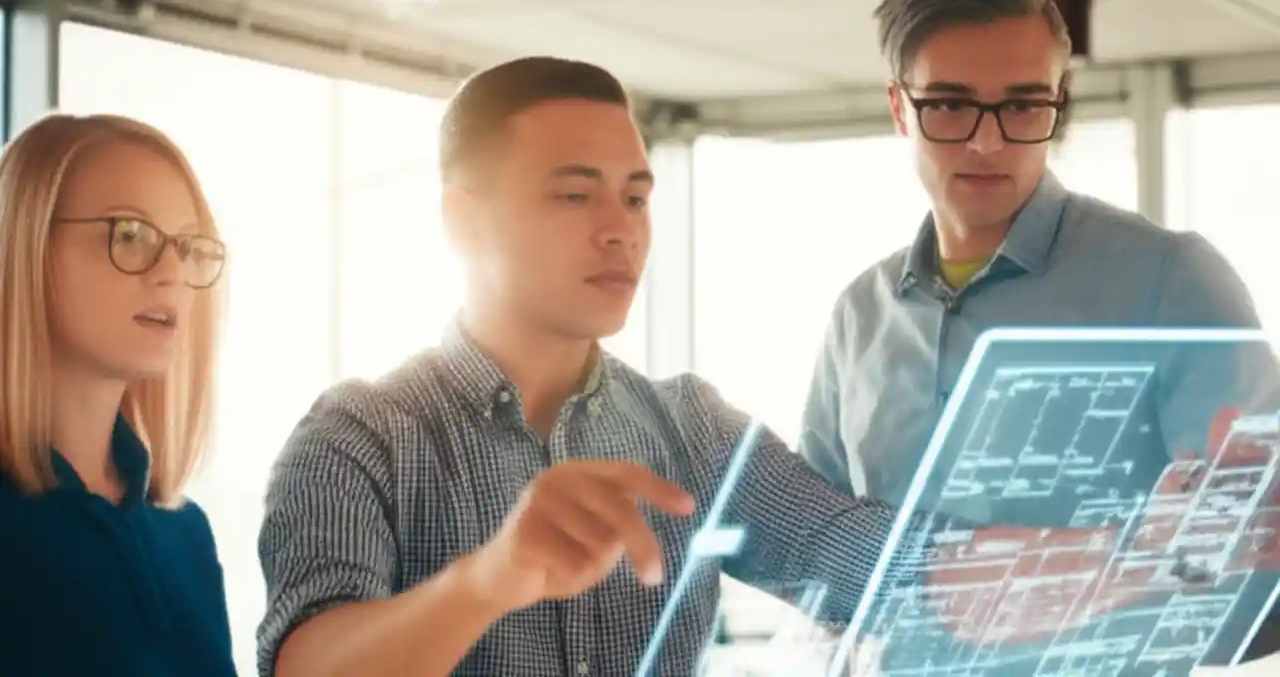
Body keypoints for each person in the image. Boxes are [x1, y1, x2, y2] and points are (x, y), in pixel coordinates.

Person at [255, 56, 931, 677]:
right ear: (464, 221)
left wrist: (991, 561)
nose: (620, 230)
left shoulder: (692, 430)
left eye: (635, 199)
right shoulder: (361, 436)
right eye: (575, 196)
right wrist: (488, 579)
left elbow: (863, 561)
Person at [797, 0, 1280, 663]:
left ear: (1059, 100)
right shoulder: (858, 319)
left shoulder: (1170, 283)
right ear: (900, 107)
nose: (987, 141)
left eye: (1023, 105)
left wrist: (1176, 558)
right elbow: (816, 552)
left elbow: (1255, 580)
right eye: (950, 105)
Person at [0, 114, 232, 675]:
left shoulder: (186, 536)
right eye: (129, 234)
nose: (172, 273)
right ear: (26, 242)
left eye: (187, 247)